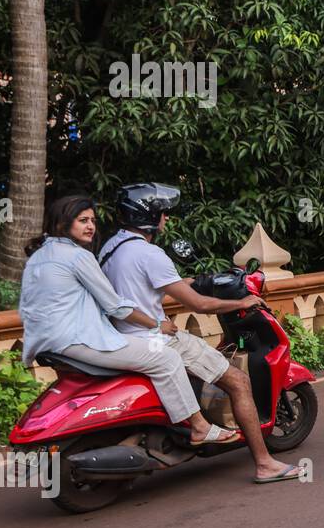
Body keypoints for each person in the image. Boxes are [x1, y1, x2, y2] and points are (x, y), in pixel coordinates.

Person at [97, 184, 299, 483]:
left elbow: (139, 290)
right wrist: (241, 302)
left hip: (124, 337)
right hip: (156, 338)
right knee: (239, 381)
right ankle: (265, 464)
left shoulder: (109, 248)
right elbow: (201, 305)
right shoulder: (150, 254)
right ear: (150, 216)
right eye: (163, 214)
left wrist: (186, 281)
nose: (166, 219)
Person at [19, 195, 241, 451]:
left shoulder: (39, 256)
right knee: (165, 359)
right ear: (63, 223)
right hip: (79, 341)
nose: (90, 226)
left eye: (92, 220)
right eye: (82, 221)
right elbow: (116, 306)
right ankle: (201, 428)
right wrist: (156, 325)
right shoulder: (77, 257)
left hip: (45, 344)